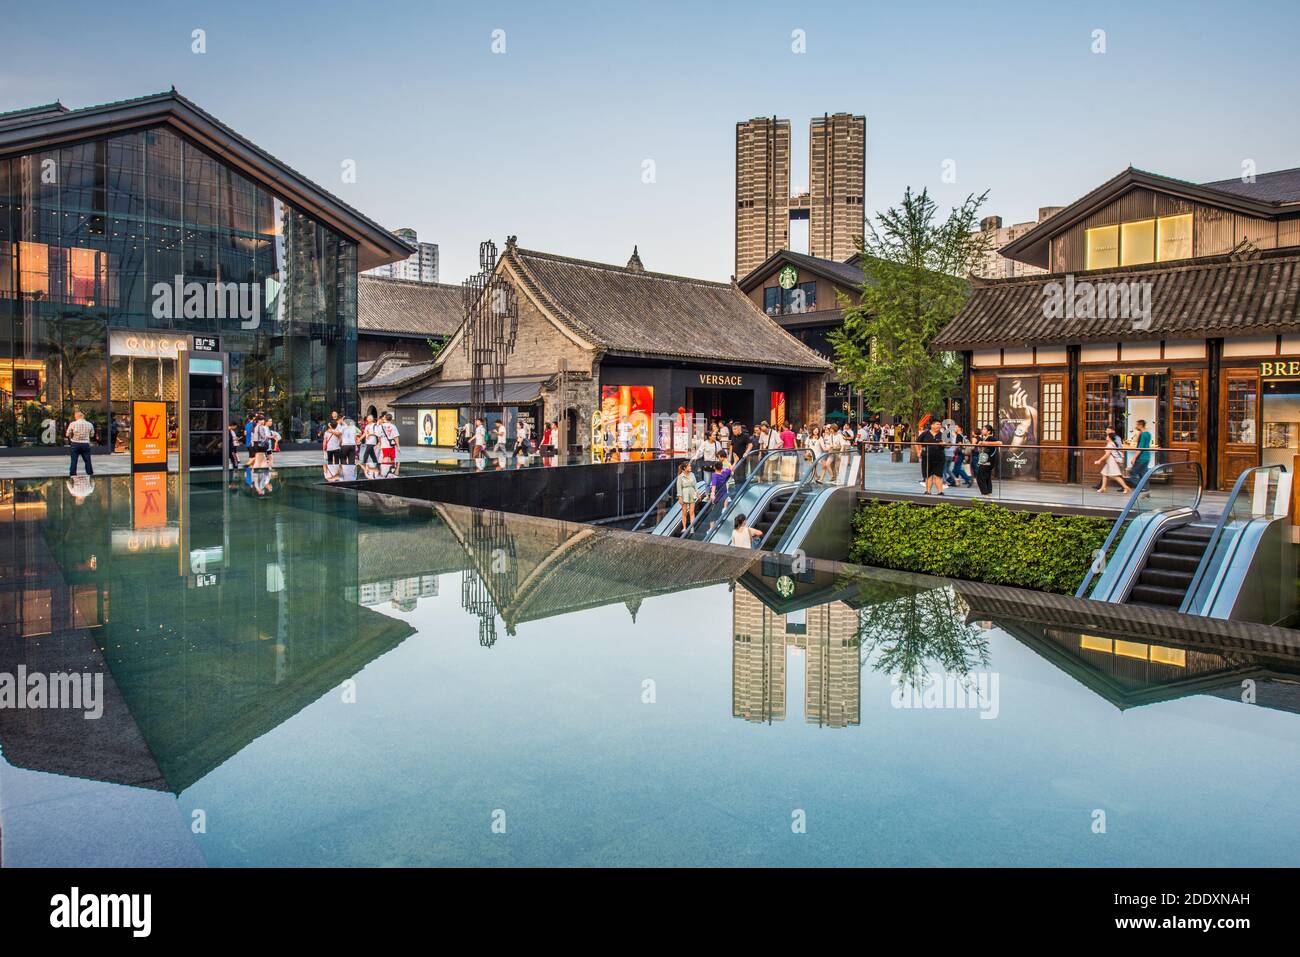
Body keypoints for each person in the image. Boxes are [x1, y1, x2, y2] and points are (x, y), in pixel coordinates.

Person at [1094, 426, 1131, 494]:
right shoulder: (1112, 443)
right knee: (1104, 474)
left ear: (1110, 438)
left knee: (1115, 476)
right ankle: (1103, 488)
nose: (1106, 435)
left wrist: (1099, 460)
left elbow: (1107, 455)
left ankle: (1126, 487)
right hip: (1110, 461)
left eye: (1108, 435)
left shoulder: (1110, 444)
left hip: (1111, 461)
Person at [916, 418, 947, 495]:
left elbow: (949, 445)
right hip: (927, 457)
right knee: (928, 475)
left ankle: (940, 492)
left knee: (938, 475)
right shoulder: (925, 433)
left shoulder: (943, 434)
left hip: (939, 457)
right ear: (932, 425)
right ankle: (928, 491)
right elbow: (917, 443)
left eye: (940, 424)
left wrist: (944, 444)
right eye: (937, 424)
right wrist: (918, 452)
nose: (939, 426)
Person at [973, 424, 1001, 496]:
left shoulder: (990, 438)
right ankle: (988, 493)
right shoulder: (984, 438)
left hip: (988, 460)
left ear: (988, 432)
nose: (982, 430)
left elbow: (999, 443)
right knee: (987, 477)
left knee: (980, 477)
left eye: (984, 429)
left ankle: (985, 493)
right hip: (985, 460)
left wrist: (986, 443)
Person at [66, 409, 95, 476]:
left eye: (75, 416)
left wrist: (71, 438)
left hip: (75, 444)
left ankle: (72, 474)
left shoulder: (73, 424)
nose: (75, 418)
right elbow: (92, 435)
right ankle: (90, 473)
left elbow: (67, 434)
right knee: (87, 460)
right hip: (85, 444)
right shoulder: (89, 424)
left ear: (77, 416)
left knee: (74, 460)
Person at [1128, 419, 1153, 488]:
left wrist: (1134, 457)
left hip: (1141, 458)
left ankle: (1140, 487)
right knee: (1143, 475)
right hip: (1147, 457)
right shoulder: (1148, 434)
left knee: (1132, 474)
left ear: (1140, 425)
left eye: (1137, 424)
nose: (1136, 426)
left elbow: (1140, 447)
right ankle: (1145, 488)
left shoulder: (1142, 434)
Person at [675, 461, 698, 534]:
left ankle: (692, 528)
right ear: (684, 468)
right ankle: (684, 527)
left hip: (692, 493)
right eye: (689, 466)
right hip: (684, 494)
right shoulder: (680, 477)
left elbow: (695, 484)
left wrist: (697, 493)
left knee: (692, 512)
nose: (690, 467)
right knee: (684, 512)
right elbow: (679, 488)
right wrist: (680, 497)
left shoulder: (692, 474)